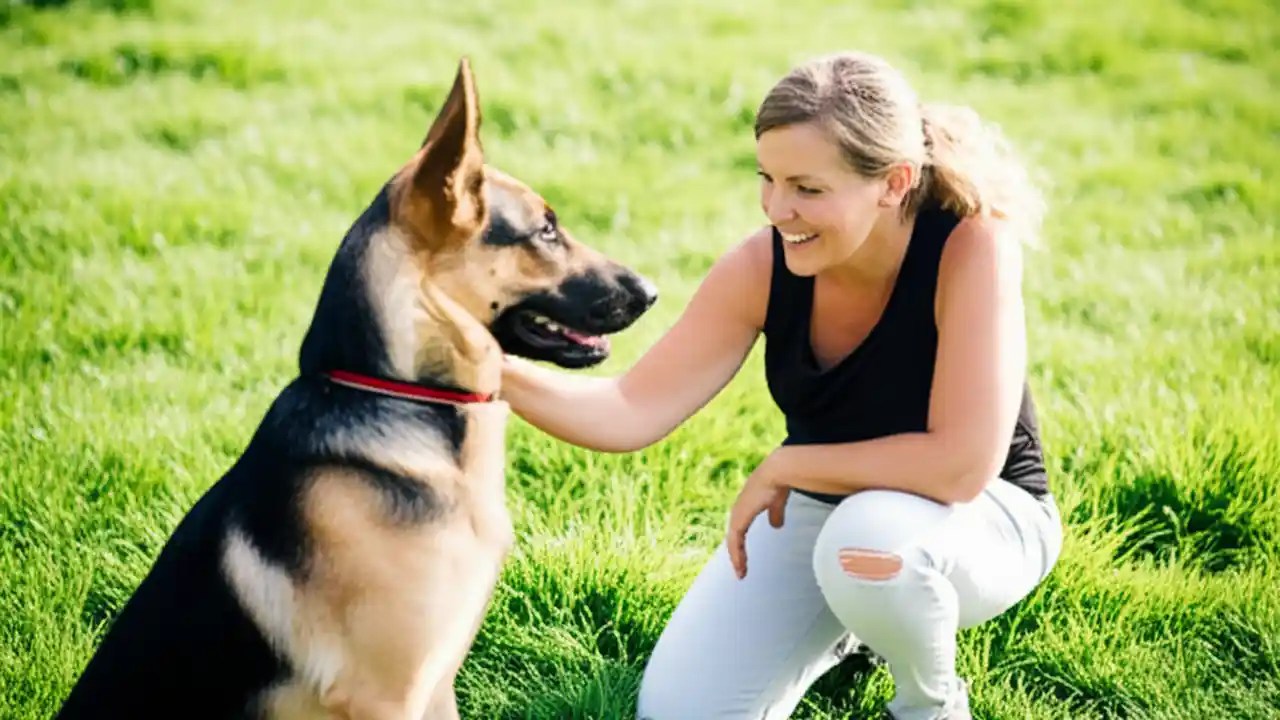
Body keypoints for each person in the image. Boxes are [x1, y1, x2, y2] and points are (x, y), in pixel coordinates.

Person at [500, 51, 1063, 720]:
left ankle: (928, 705)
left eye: (807, 188)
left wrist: (791, 463)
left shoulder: (971, 245)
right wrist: (490, 370)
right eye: (766, 178)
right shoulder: (762, 266)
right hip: (828, 508)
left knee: (869, 544)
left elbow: (961, 467)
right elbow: (628, 409)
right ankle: (860, 623)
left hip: (983, 519)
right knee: (680, 713)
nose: (777, 208)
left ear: (894, 181)